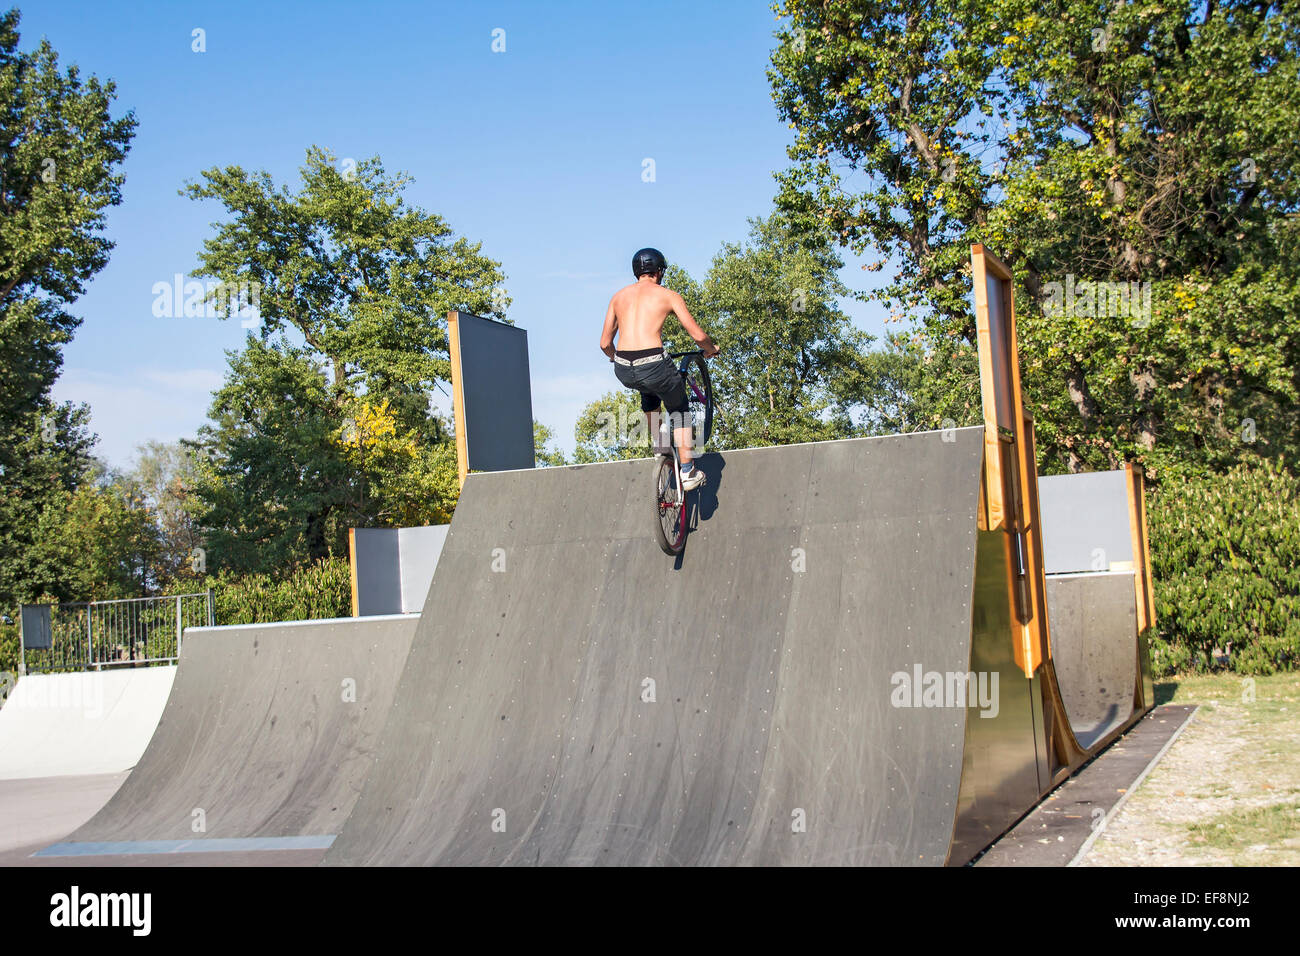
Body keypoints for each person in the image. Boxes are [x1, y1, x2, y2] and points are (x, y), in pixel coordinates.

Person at [600, 247, 719, 491]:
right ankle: (687, 473)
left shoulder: (618, 297)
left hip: (624, 368)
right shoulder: (668, 295)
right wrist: (710, 349)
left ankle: (661, 445)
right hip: (654, 363)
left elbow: (604, 344)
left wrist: (616, 359)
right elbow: (697, 335)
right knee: (679, 408)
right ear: (660, 271)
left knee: (647, 389)